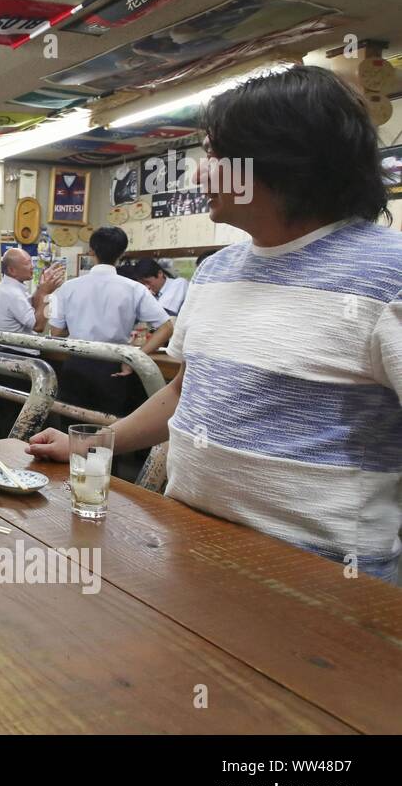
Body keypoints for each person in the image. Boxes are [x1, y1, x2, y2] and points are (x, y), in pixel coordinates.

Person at [28, 64, 402, 581]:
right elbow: (185, 392)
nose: (198, 174)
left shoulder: (389, 274)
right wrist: (88, 445)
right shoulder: (217, 269)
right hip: (191, 547)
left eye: (215, 155)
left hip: (325, 584)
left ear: (281, 159)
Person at [47, 226, 173, 423]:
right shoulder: (134, 288)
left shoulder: (68, 287)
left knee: (72, 427)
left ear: (91, 251)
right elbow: (167, 327)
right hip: (114, 366)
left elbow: (55, 331)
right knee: (108, 430)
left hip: (76, 364)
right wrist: (136, 357)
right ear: (122, 254)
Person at [0, 248, 65, 439]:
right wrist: (46, 293)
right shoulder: (11, 291)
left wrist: (41, 289)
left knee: (10, 410)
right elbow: (38, 324)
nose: (33, 267)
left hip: (11, 356)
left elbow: (32, 306)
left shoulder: (12, 287)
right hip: (16, 358)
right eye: (28, 263)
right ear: (13, 270)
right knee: (14, 412)